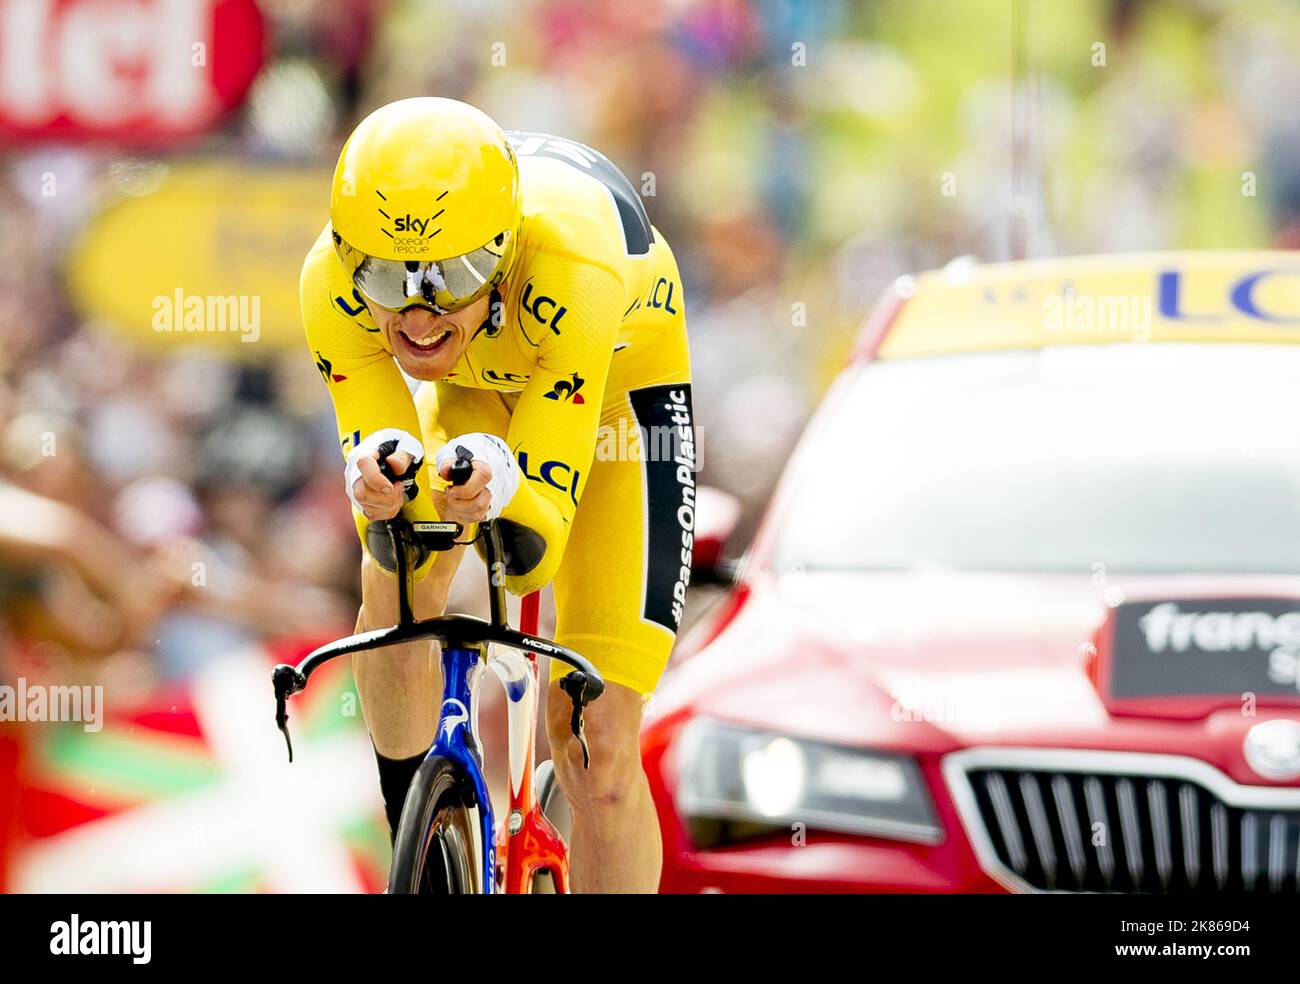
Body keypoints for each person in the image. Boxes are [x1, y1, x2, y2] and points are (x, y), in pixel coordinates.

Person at [299, 97, 695, 893]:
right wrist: (380, 484)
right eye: (385, 277)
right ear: (348, 255)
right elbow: (382, 489)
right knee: (396, 567)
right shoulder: (328, 286)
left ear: (503, 252)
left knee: (595, 738)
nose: (418, 315)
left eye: (454, 277)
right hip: (476, 386)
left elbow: (535, 540)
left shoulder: (571, 261)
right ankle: (419, 837)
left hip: (616, 399)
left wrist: (499, 486)